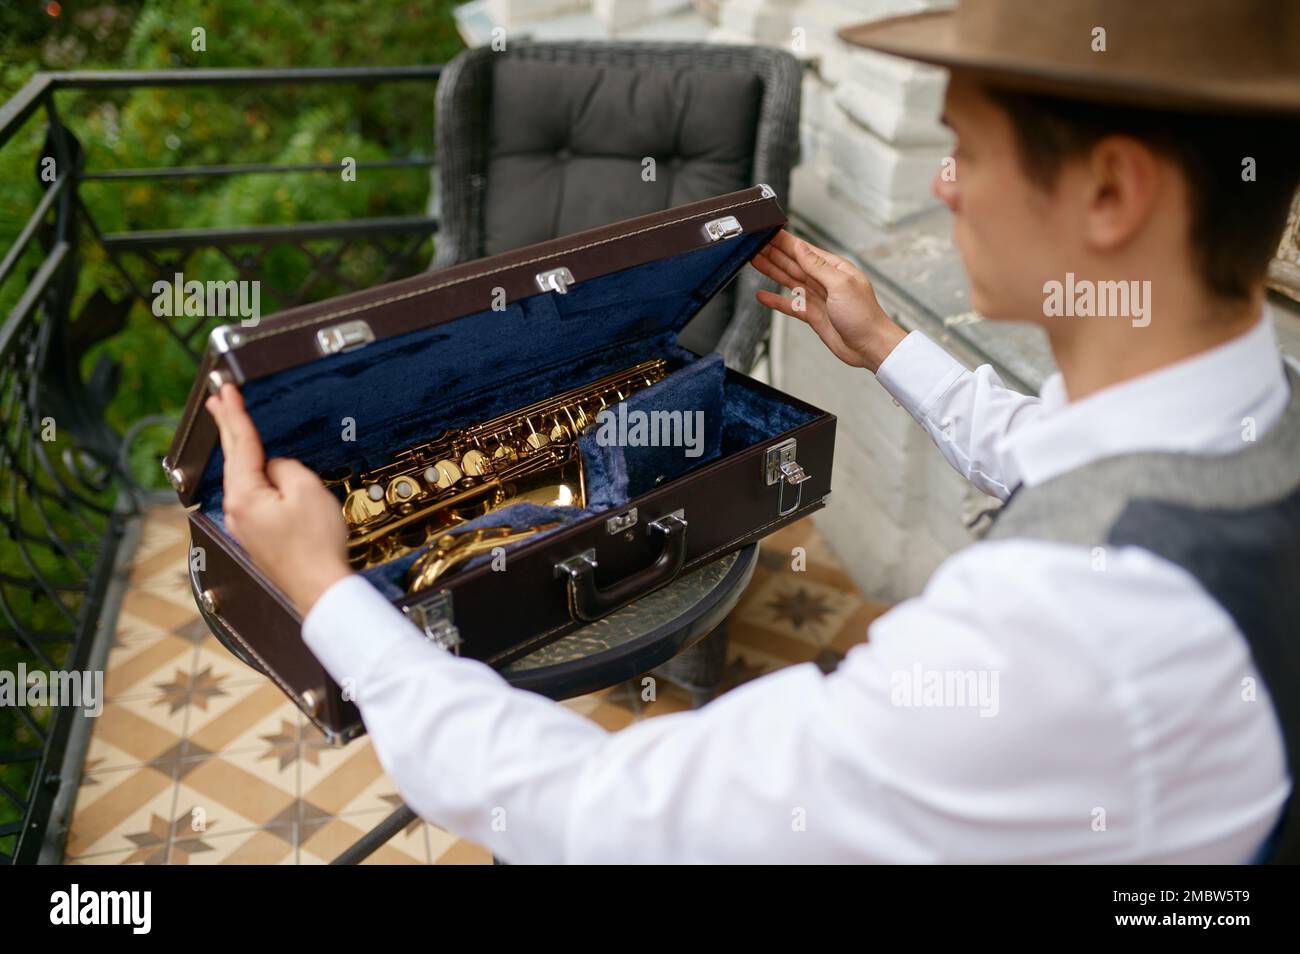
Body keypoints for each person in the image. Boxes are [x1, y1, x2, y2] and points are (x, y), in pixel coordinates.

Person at [204, 0, 1300, 862]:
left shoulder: (1061, 635)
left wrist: (333, 596)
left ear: (1110, 191)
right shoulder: (1248, 410)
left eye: (967, 146)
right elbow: (1058, 453)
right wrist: (882, 347)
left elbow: (600, 816)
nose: (943, 183)